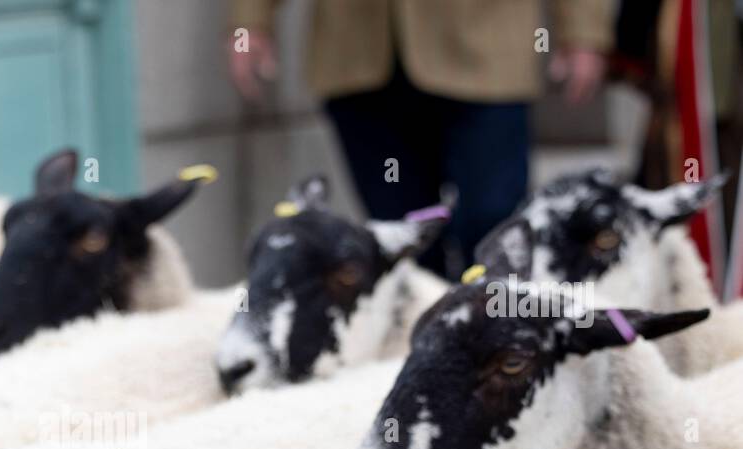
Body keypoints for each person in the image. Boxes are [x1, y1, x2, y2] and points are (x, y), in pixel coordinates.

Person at [228, 0, 615, 277]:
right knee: (402, 239)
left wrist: (582, 29)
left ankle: (498, 352)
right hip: (358, 56)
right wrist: (249, 20)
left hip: (488, 50)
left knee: (493, 223)